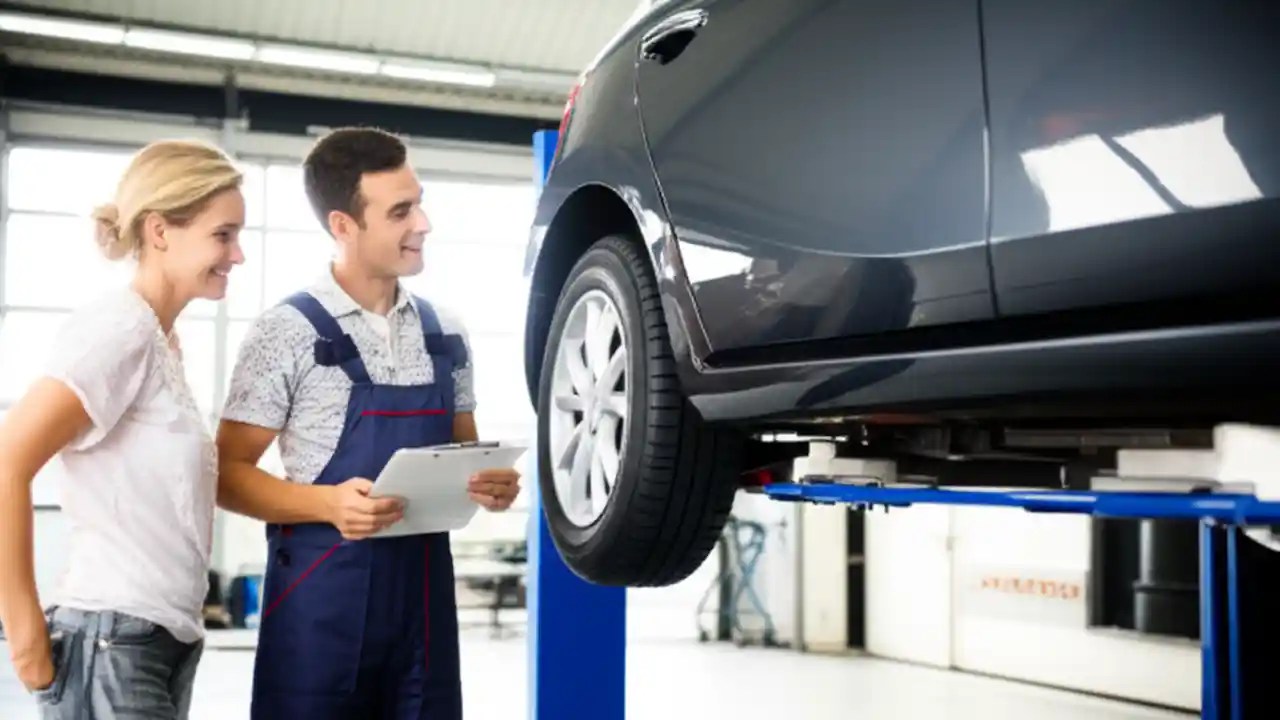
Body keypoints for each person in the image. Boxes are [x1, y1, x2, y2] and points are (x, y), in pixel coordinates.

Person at [216, 126, 521, 719]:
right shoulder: (286, 333)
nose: (424, 223)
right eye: (400, 211)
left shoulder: (446, 335)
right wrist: (329, 505)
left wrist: (494, 484)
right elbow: (225, 474)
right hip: (318, 609)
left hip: (423, 614)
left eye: (420, 202)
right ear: (343, 226)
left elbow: (466, 450)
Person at [0, 139, 246, 718]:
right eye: (223, 235)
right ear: (160, 231)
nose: (238, 255)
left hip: (159, 641)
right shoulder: (118, 331)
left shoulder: (162, 342)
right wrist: (24, 634)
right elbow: (8, 462)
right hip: (111, 641)